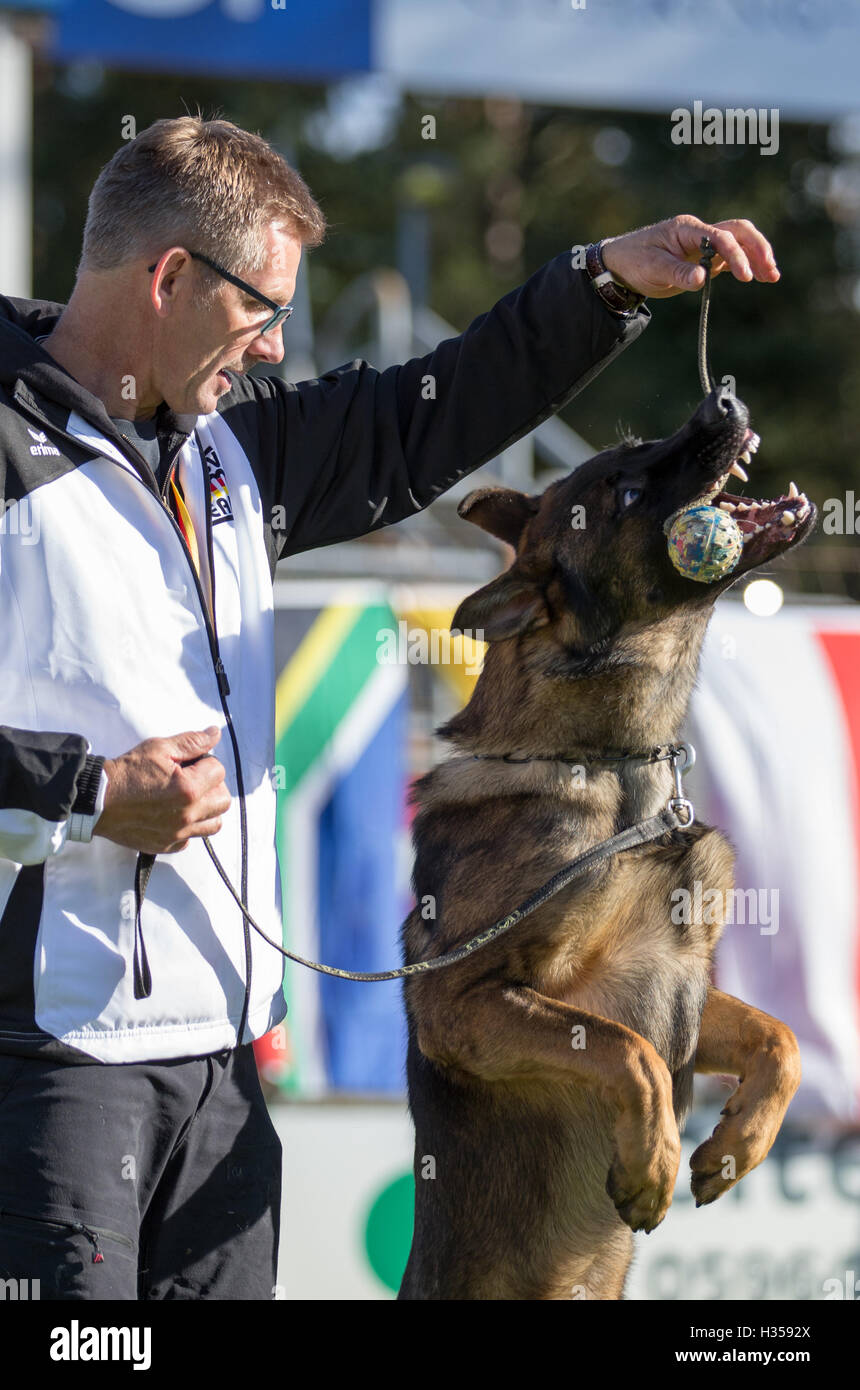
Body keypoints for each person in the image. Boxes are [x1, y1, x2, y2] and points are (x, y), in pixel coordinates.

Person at [0, 115, 779, 1300]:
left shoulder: (230, 453)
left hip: (222, 1075)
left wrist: (604, 282)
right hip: (48, 1068)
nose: (271, 349)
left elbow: (431, 410)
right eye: (263, 307)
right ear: (168, 277)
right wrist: (91, 793)